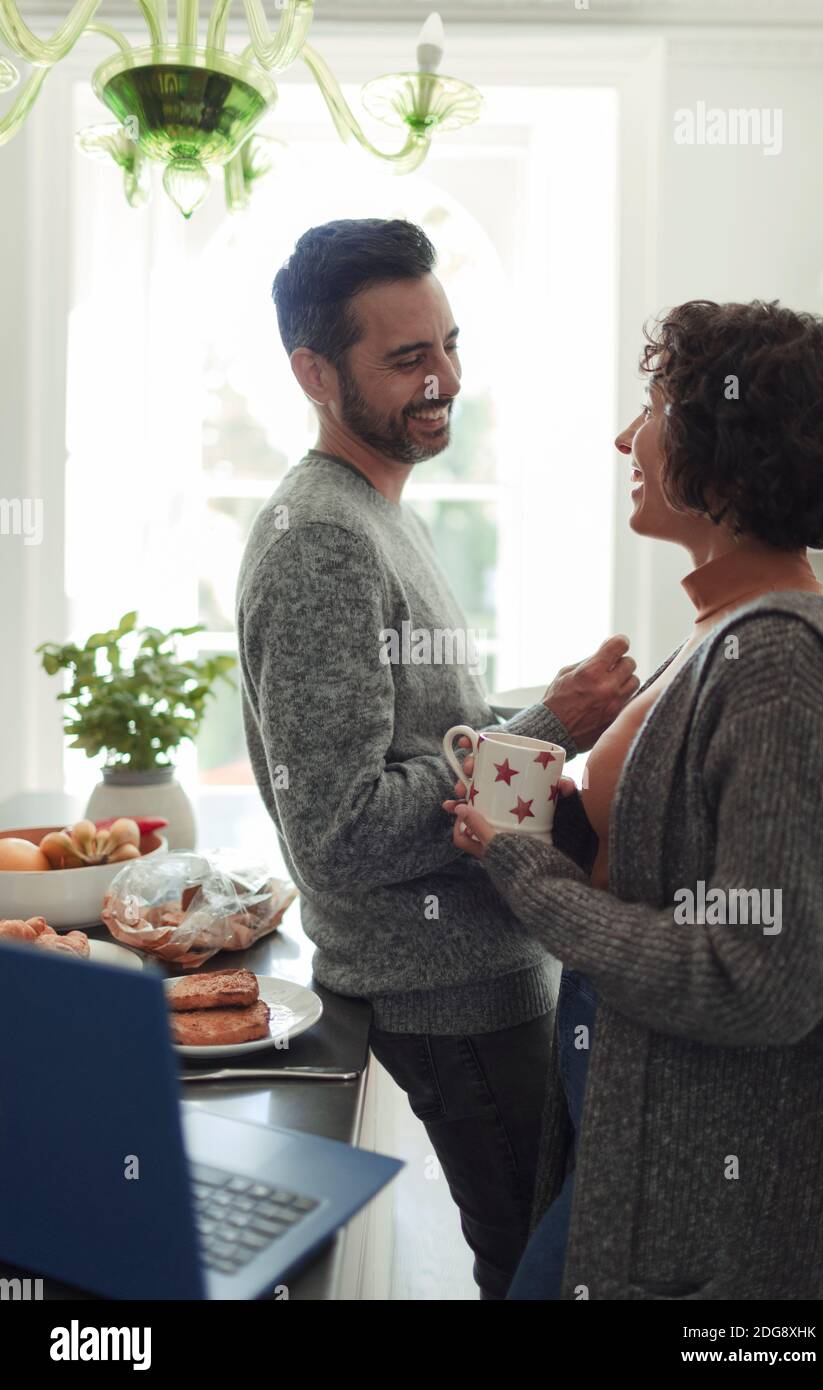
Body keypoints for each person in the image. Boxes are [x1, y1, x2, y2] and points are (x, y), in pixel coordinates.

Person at [235, 217, 639, 1299]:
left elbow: (430, 738)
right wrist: (549, 722)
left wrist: (555, 712)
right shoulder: (323, 537)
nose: (445, 378)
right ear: (314, 373)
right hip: (443, 990)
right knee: (535, 1270)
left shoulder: (374, 508)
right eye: (407, 357)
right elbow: (342, 828)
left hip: (482, 969)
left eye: (448, 344)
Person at [445, 298, 823, 1300]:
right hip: (645, 1136)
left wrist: (523, 871)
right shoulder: (719, 633)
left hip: (698, 1208)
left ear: (725, 460)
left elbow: (763, 976)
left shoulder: (772, 668)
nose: (626, 435)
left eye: (657, 406)